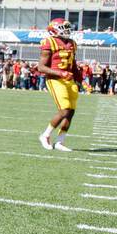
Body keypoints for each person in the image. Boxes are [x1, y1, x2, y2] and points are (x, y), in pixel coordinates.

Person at [37, 18, 80, 151]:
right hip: (55, 79)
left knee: (71, 112)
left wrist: (79, 78)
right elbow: (41, 67)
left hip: (70, 80)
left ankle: (60, 142)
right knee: (64, 109)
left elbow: (73, 64)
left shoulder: (72, 43)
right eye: (64, 27)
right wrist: (60, 74)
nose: (67, 30)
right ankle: (45, 135)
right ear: (54, 29)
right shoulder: (49, 42)